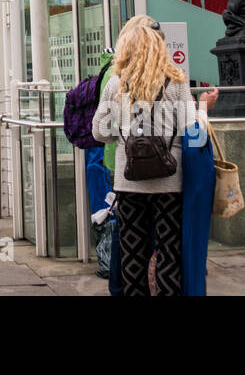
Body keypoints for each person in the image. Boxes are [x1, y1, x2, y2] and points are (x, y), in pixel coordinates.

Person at [92, 15, 217, 296]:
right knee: (169, 250)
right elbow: (193, 134)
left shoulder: (116, 84)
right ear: (160, 47)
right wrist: (203, 110)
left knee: (132, 253)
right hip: (170, 183)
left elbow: (99, 132)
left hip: (129, 184)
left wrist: (123, 134)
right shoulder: (176, 82)